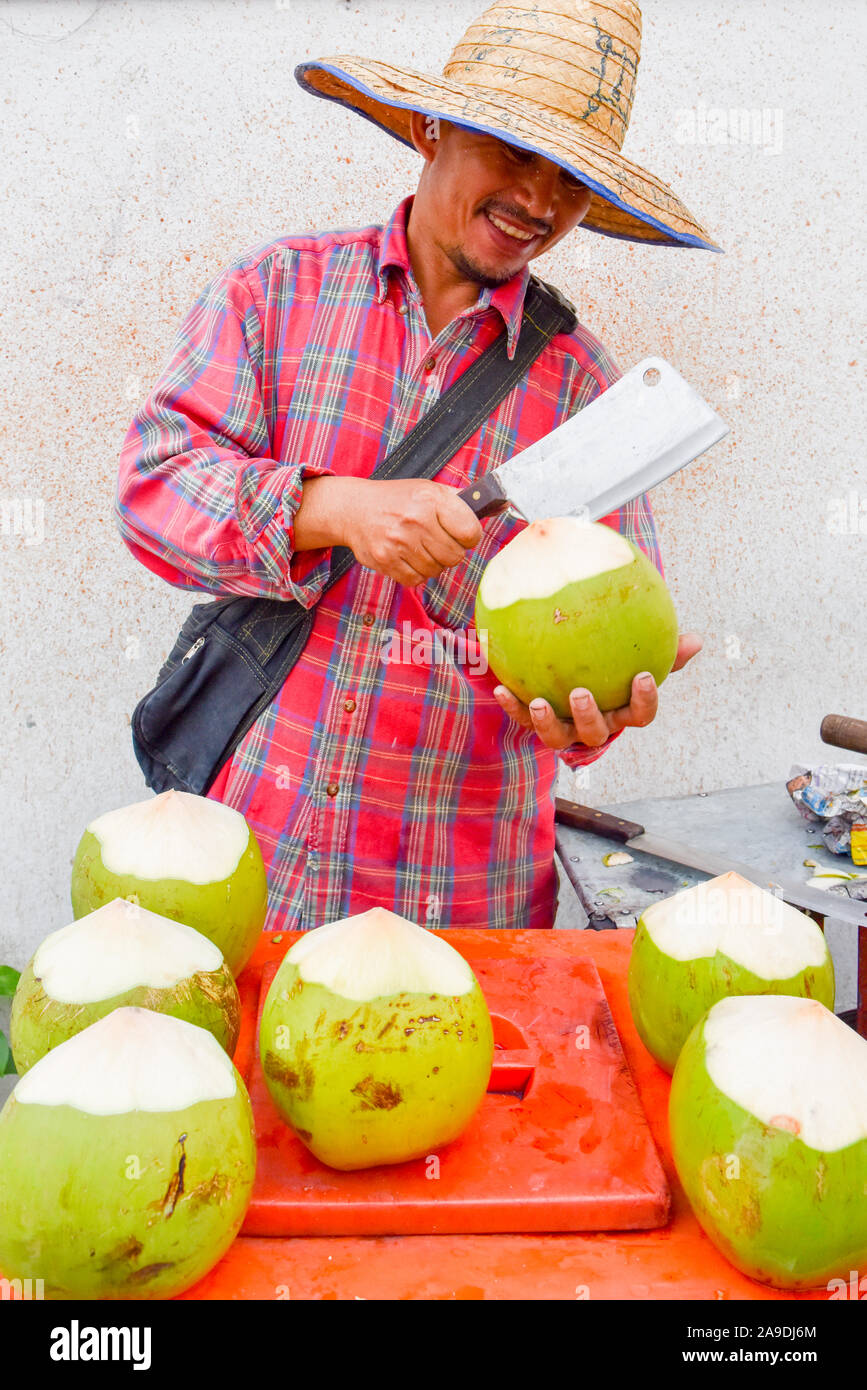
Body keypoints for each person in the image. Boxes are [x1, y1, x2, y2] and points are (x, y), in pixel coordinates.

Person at [116, 2, 717, 932]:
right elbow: (153, 488)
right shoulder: (277, 292)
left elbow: (596, 657)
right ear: (430, 127)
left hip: (458, 894)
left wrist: (588, 713)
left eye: (570, 179)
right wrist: (331, 507)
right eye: (514, 152)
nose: (538, 199)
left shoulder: (584, 390)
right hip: (245, 860)